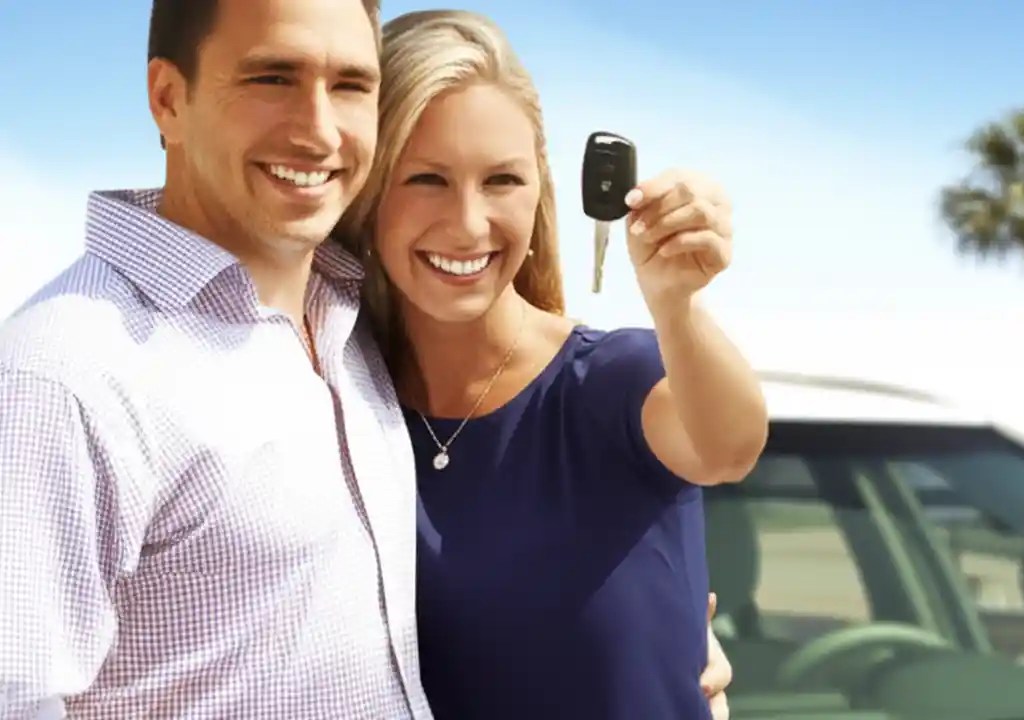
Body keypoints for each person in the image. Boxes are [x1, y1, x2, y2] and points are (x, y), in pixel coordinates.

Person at [0, 1, 734, 718]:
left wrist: (651, 641)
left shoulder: (352, 335)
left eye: (350, 84)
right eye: (272, 78)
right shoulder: (65, 374)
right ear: (168, 98)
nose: (318, 129)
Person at [335, 10, 768, 720]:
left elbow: (730, 446)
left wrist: (678, 306)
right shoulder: (334, 404)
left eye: (502, 180)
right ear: (369, 192)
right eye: (426, 179)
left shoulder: (613, 381)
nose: (469, 223)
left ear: (540, 188)